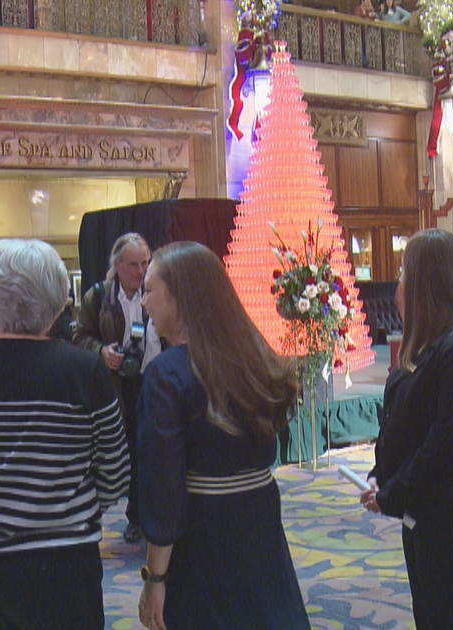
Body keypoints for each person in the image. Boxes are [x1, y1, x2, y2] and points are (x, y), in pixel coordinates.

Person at [0, 239, 129, 630]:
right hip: (64, 559)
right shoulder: (85, 369)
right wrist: (68, 509)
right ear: (58, 306)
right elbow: (115, 471)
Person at [136, 241, 309, 630]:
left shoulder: (166, 373)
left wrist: (156, 578)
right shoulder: (256, 357)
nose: (144, 301)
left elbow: (163, 491)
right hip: (260, 520)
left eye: (149, 289)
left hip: (205, 537)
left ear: (180, 296)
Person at [359, 229, 453, 629]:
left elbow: (443, 445)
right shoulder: (426, 341)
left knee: (449, 620)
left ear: (426, 281)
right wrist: (381, 477)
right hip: (423, 508)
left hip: (450, 512)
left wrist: (393, 492)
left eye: (404, 274)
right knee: (430, 617)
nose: (399, 284)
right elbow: (403, 425)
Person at [73, 233, 162, 544]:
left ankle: (141, 517)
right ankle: (113, 515)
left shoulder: (158, 293)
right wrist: (102, 352)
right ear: (118, 266)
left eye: (146, 263)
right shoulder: (98, 297)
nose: (141, 270)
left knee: (147, 455)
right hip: (114, 387)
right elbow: (80, 336)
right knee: (117, 452)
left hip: (152, 382)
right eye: (134, 264)